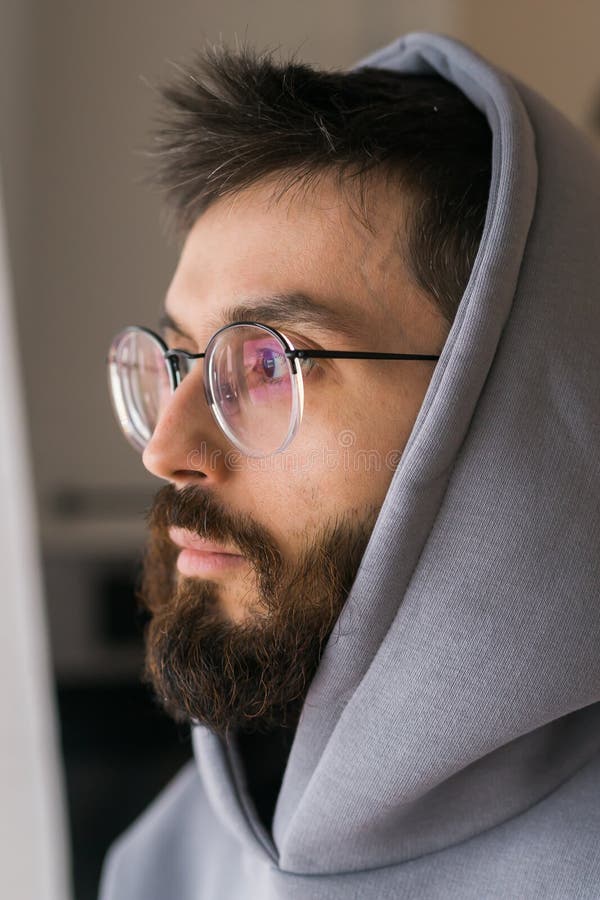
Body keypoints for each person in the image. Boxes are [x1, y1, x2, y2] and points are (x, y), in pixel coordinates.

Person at [99, 30, 600, 900]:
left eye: (266, 365)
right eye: (179, 362)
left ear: (496, 413)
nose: (165, 451)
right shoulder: (163, 862)